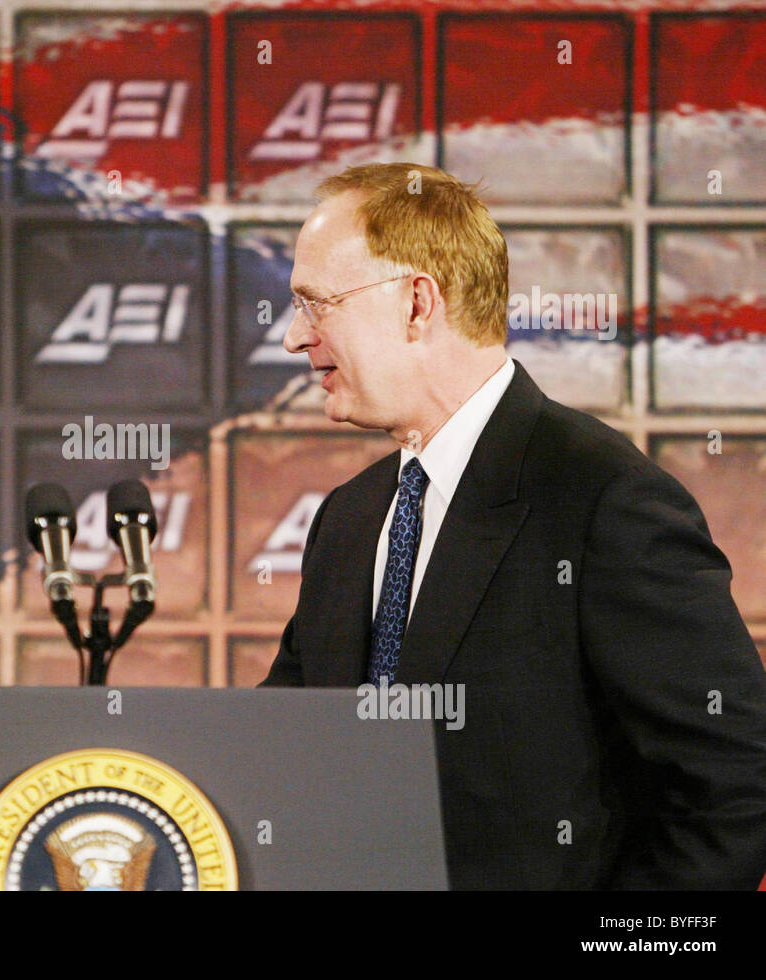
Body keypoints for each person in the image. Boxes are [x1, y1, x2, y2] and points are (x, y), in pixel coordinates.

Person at [261, 162, 766, 889]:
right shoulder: (350, 518)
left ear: (416, 303)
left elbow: (733, 785)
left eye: (316, 303)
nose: (294, 338)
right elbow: (280, 753)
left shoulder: (604, 500)